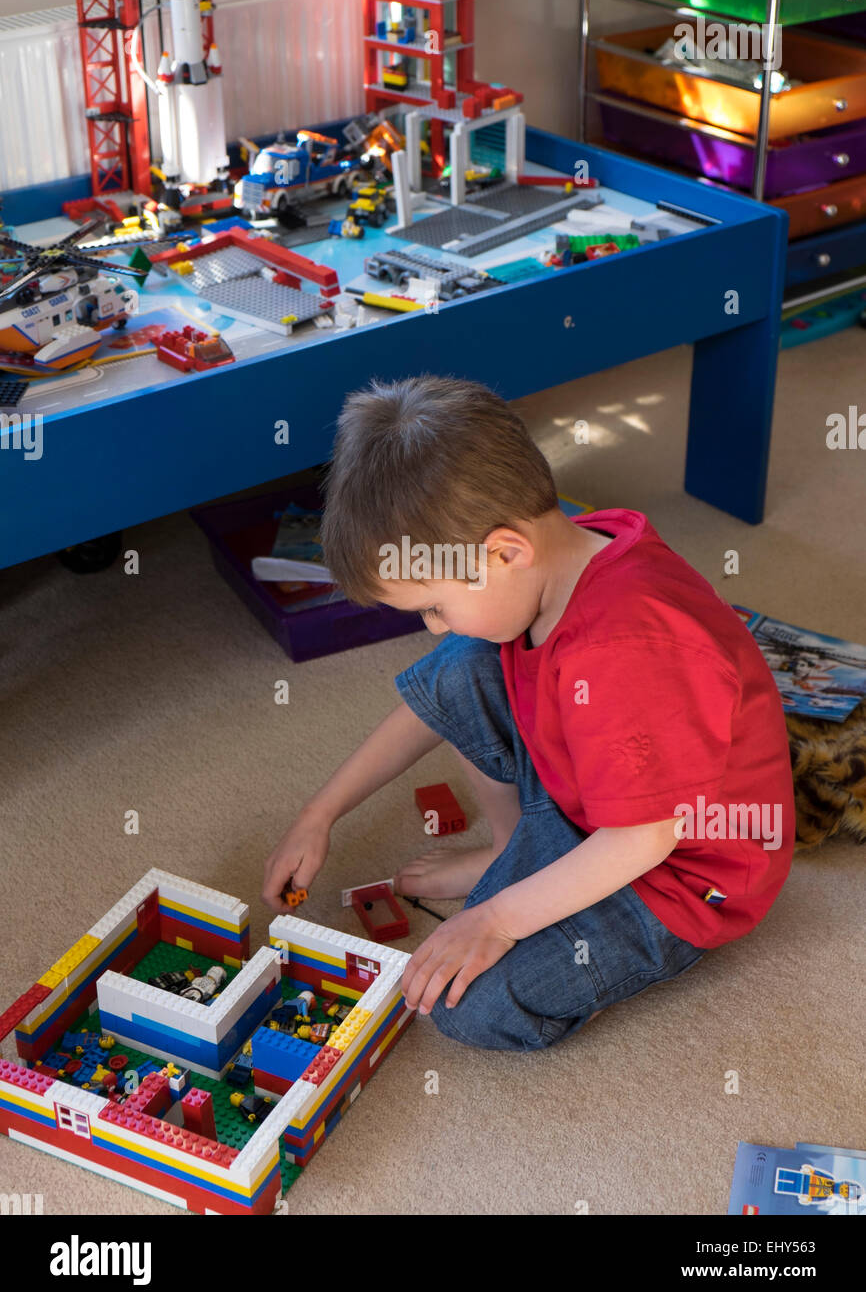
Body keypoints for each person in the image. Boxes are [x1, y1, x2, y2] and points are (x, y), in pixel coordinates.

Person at [263, 376, 795, 1052]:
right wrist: (320, 814)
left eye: (433, 605)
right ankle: (514, 848)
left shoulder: (624, 651)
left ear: (507, 552)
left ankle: (549, 899)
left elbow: (644, 839)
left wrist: (497, 921)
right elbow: (433, 704)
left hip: (677, 872)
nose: (430, 625)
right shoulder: (555, 559)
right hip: (593, 789)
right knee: (462, 664)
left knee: (469, 1005)